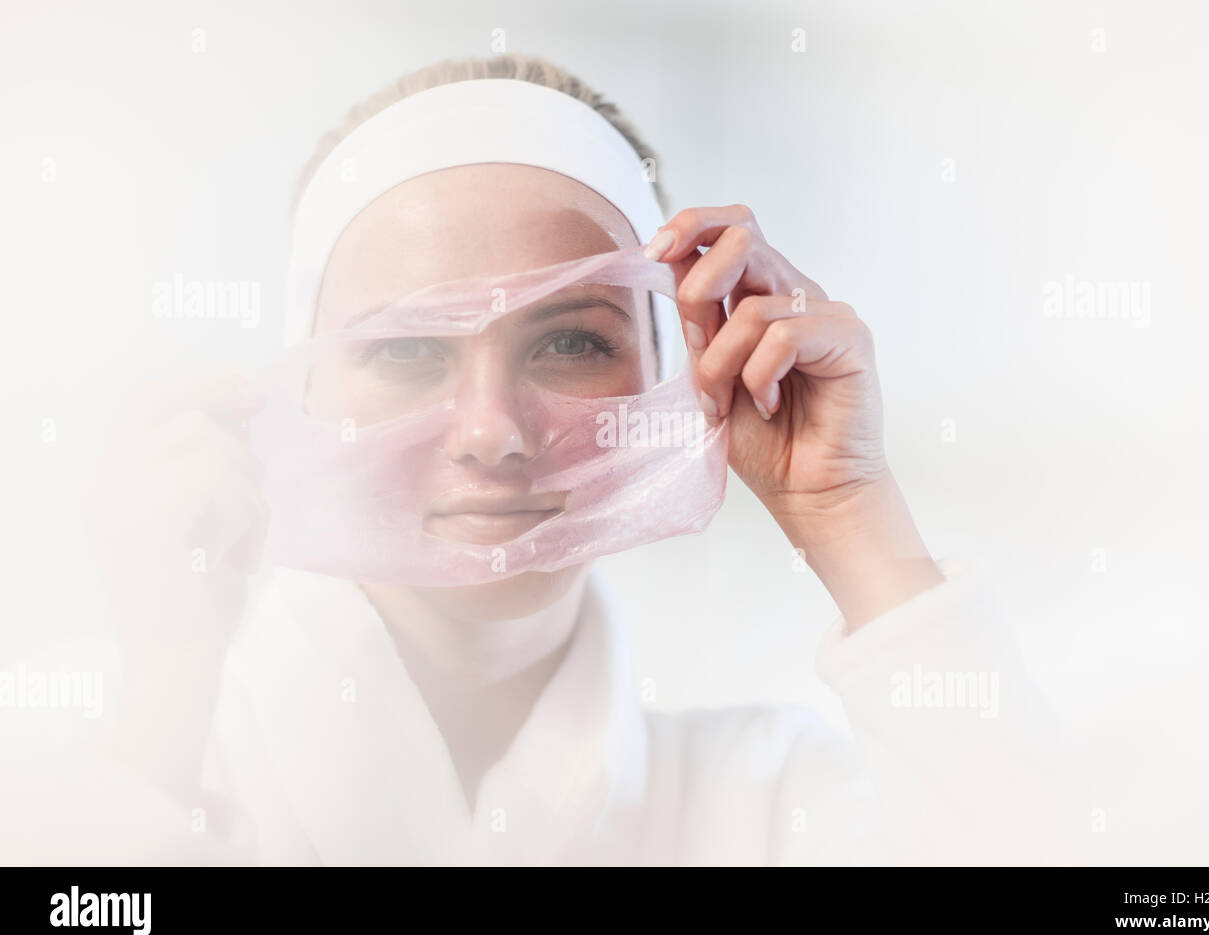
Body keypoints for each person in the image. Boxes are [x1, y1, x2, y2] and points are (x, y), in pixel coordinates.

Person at [62, 54, 1080, 865]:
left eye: (569, 342)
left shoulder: (768, 801)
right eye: (408, 349)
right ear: (300, 392)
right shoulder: (118, 766)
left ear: (674, 370)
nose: (492, 429)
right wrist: (163, 703)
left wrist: (850, 515)